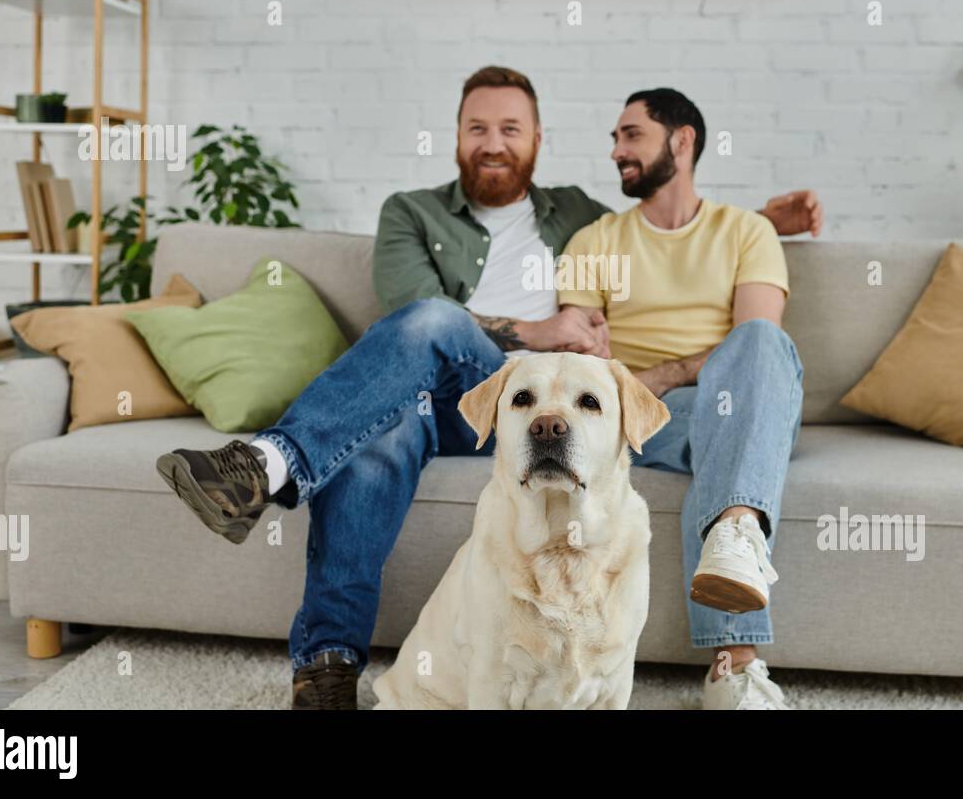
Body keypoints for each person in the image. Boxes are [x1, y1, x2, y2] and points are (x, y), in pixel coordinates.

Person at [154, 66, 822, 709]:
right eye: (478, 128)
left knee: (382, 438)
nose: (494, 142)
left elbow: (672, 224)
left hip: (533, 409)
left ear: (538, 141)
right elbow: (408, 322)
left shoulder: (577, 216)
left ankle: (275, 489)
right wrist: (538, 330)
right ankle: (318, 638)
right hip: (449, 390)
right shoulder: (412, 214)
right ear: (455, 136)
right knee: (410, 367)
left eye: (511, 128)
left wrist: (759, 222)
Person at [558, 88, 803, 709]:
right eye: (614, 139)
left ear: (683, 140)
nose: (617, 151)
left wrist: (662, 373)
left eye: (631, 135)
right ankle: (735, 669)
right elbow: (583, 366)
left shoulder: (746, 232)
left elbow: (754, 348)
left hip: (730, 405)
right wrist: (644, 388)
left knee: (760, 347)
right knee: (730, 421)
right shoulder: (594, 241)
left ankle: (735, 534)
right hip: (635, 419)